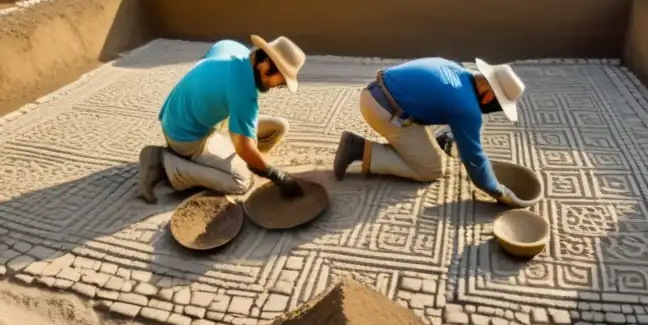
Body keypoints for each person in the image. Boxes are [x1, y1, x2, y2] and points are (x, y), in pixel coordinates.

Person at [331, 57, 532, 207]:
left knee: (462, 122)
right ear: (488, 96)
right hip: (384, 111)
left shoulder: (455, 69)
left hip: (377, 92)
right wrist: (498, 191)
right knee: (431, 170)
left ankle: (444, 142)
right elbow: (474, 157)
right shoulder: (466, 107)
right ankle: (358, 149)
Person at [138, 36, 308, 202]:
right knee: (240, 182)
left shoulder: (237, 51)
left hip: (183, 116)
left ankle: (228, 152)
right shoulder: (243, 92)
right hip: (185, 137)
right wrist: (277, 176)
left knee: (279, 127)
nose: (278, 87)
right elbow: (243, 147)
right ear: (266, 65)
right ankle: (164, 164)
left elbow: (219, 46)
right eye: (282, 81)